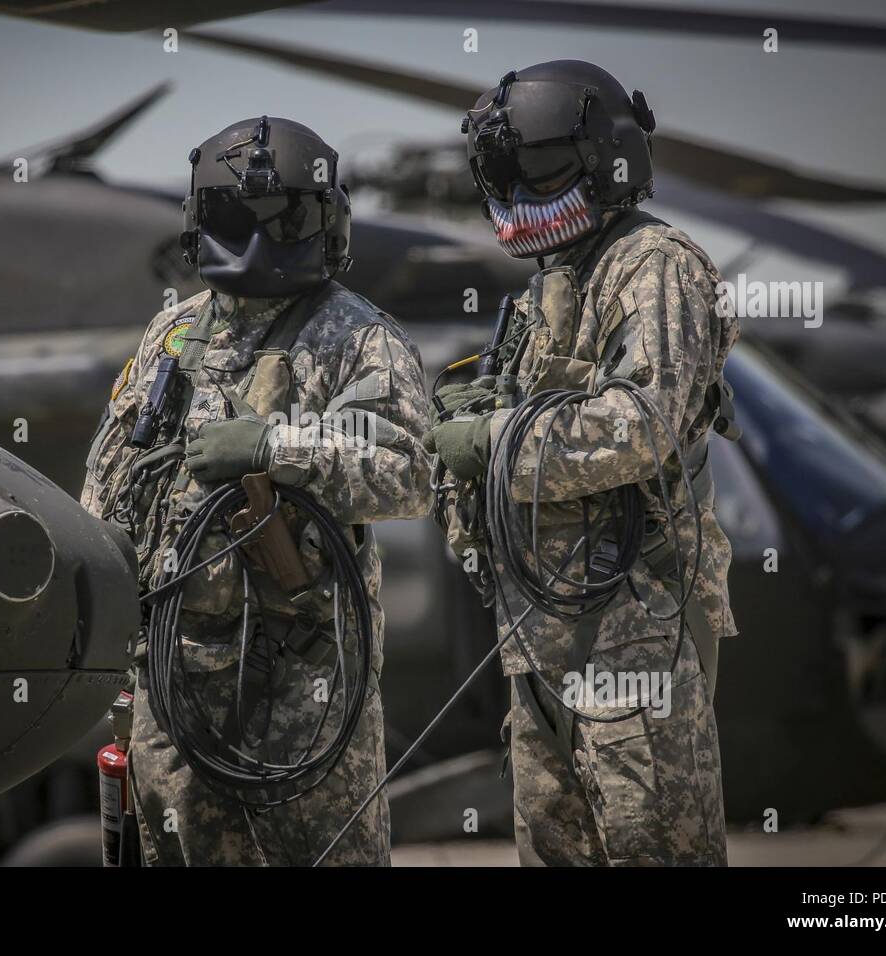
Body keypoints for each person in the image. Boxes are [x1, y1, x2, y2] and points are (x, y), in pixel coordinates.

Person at [81, 116, 433, 865]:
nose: (262, 236)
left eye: (284, 217)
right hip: (173, 682)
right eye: (242, 217)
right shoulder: (173, 335)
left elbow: (409, 471)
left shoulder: (357, 337)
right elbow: (112, 477)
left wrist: (280, 448)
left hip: (300, 686)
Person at [424, 61, 739, 866]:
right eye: (504, 171)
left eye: (537, 167)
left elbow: (645, 425)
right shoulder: (546, 291)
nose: (520, 190)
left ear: (603, 160)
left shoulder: (653, 264)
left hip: (634, 644)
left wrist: (496, 441)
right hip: (542, 644)